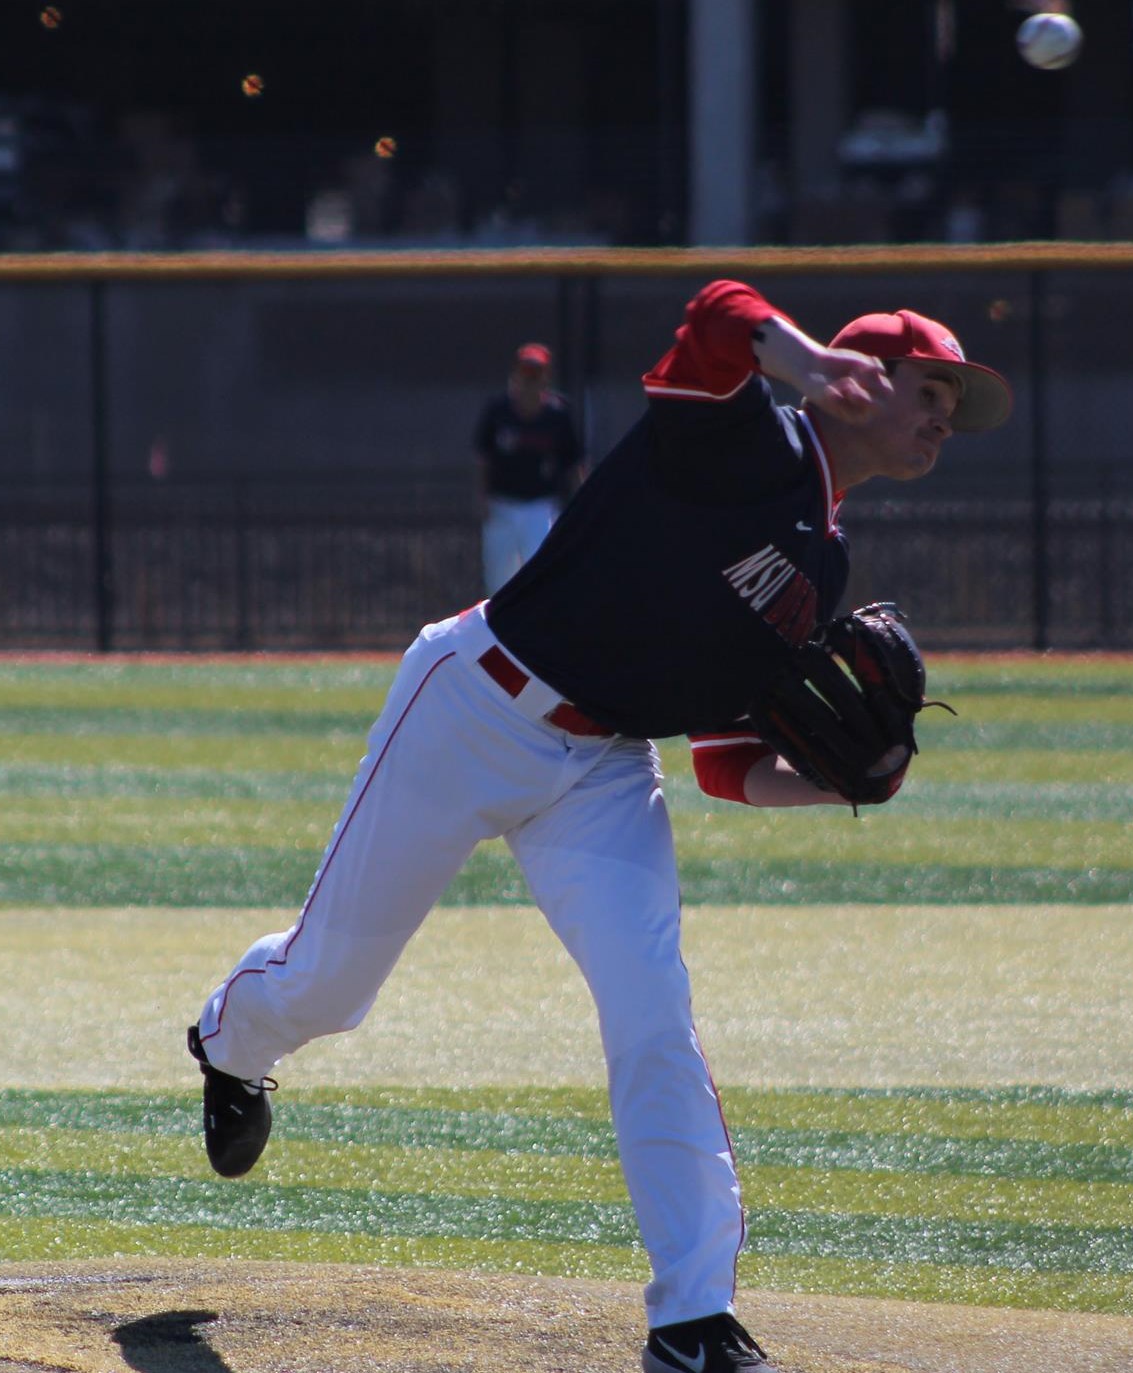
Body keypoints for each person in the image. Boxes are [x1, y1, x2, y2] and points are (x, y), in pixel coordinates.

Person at [186, 280, 1012, 1373]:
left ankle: (692, 1319)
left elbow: (724, 764)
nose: (945, 411)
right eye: (929, 385)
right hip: (475, 703)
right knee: (330, 986)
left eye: (954, 396)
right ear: (860, 379)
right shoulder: (743, 435)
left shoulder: (822, 564)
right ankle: (229, 1040)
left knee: (653, 1013)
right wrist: (802, 361)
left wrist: (849, 784)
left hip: (606, 770)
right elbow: (714, 314)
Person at [473, 341, 584, 594]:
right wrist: (481, 497)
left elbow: (574, 463)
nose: (531, 380)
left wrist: (581, 504)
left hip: (540, 507)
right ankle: (498, 633)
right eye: (526, 372)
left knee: (541, 575)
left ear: (546, 377)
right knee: (499, 580)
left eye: (537, 373)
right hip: (502, 505)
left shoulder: (558, 415)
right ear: (516, 374)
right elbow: (483, 457)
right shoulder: (498, 411)